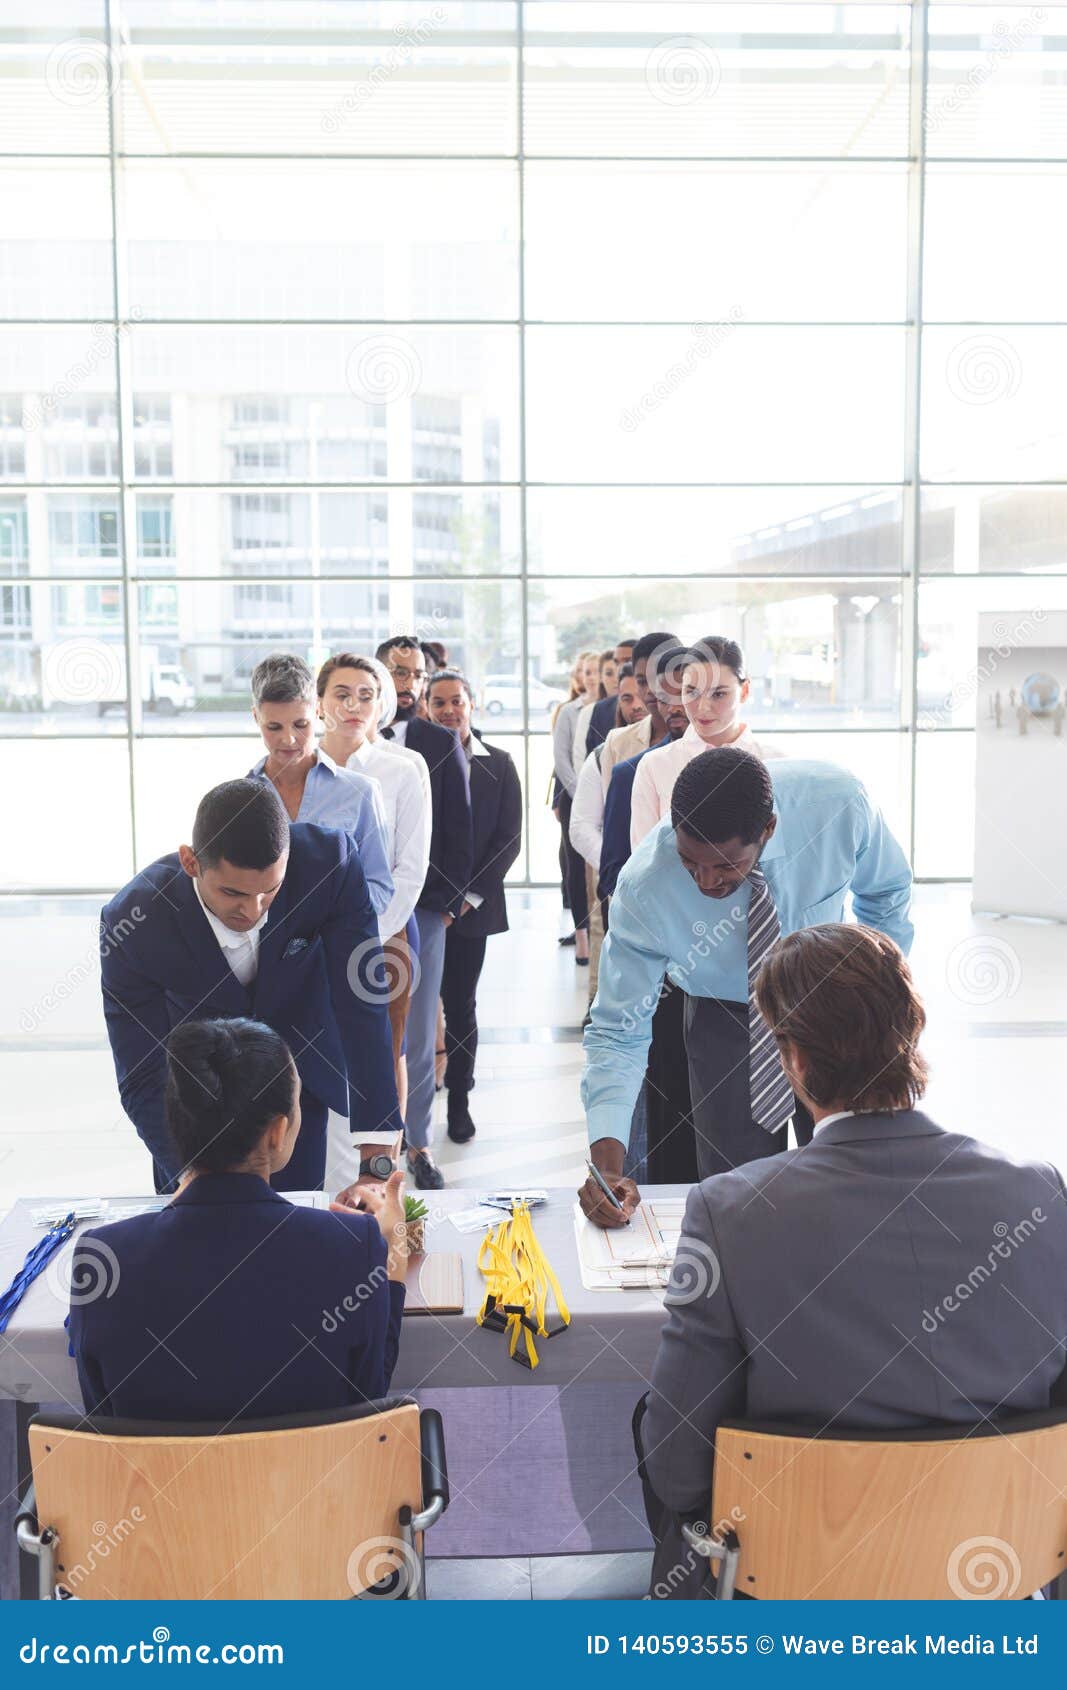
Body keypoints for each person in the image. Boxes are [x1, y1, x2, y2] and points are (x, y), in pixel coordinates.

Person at [633, 925, 1067, 1599]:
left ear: (794, 1060)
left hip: (796, 1585)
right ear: (912, 1033)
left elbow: (677, 1468)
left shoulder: (729, 1210)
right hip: (997, 1579)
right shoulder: (1040, 1188)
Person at [579, 747, 914, 1214]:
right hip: (724, 1017)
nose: (705, 881)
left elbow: (888, 892)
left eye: (724, 866)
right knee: (740, 1197)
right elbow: (618, 1031)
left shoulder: (838, 805)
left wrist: (879, 1003)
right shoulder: (646, 886)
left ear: (768, 831)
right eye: (690, 862)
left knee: (862, 1181)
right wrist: (607, 1168)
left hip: (833, 1005)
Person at [70, 1019, 407, 1421]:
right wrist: (395, 1245)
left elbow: (102, 1412)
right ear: (277, 1132)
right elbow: (369, 1396)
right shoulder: (353, 1245)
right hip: (312, 1482)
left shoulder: (104, 1256)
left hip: (157, 1484)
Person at [100, 778, 401, 1194]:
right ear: (190, 862)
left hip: (295, 1095)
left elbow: (361, 1004)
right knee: (201, 1246)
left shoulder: (330, 865)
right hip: (194, 1104)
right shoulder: (132, 921)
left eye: (269, 892)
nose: (253, 911)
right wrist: (187, 1174)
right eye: (233, 893)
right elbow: (140, 1070)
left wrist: (377, 1158)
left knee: (293, 1228)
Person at [316, 653, 431, 1136]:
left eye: (366, 695)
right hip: (308, 938)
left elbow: (410, 867)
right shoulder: (299, 762)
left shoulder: (403, 768)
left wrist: (364, 935)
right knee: (313, 1050)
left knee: (384, 1052)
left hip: (383, 936)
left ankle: (384, 1168)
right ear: (320, 702)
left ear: (381, 704)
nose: (353, 705)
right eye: (341, 694)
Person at [375, 635, 473, 1190]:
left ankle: (417, 1142)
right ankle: (370, 1141)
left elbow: (459, 826)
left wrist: (446, 902)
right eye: (396, 672)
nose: (407, 682)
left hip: (425, 910)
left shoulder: (439, 742)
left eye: (414, 673)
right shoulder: (350, 745)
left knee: (414, 1030)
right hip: (355, 912)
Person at [425, 668, 523, 1144]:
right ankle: (413, 1112)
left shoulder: (498, 764)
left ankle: (459, 1100)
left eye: (456, 702)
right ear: (425, 708)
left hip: (469, 914)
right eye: (438, 702)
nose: (448, 711)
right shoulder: (412, 762)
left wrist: (463, 902)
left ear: (472, 704)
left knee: (460, 1009)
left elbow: (508, 841)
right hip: (419, 911)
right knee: (415, 1015)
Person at [246, 653, 393, 919]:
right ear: (256, 717)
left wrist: (334, 914)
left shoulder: (362, 793)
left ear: (317, 711)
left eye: (301, 724)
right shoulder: (241, 800)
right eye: (274, 727)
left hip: (337, 948)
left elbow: (380, 886)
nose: (289, 739)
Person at [630, 636, 783, 847]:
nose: (702, 707)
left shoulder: (776, 763)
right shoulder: (654, 766)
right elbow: (643, 858)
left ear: (745, 691)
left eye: (719, 694)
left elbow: (782, 852)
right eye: (691, 691)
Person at [569, 665, 649, 1012]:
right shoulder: (610, 750)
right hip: (616, 878)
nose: (636, 704)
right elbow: (582, 827)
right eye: (626, 697)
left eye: (642, 694)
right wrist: (621, 865)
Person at [552, 650, 601, 964]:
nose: (592, 676)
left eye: (598, 670)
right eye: (587, 671)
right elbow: (563, 760)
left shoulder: (611, 709)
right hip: (575, 797)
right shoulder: (571, 711)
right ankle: (582, 935)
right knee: (574, 867)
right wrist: (582, 793)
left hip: (599, 797)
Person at [599, 631, 680, 795]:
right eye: (642, 681)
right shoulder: (618, 742)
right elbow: (614, 807)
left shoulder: (706, 738)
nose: (650, 690)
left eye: (659, 679)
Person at [585, 637, 637, 754]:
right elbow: (591, 755)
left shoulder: (655, 704)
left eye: (627, 660)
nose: (619, 668)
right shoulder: (601, 709)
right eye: (616, 662)